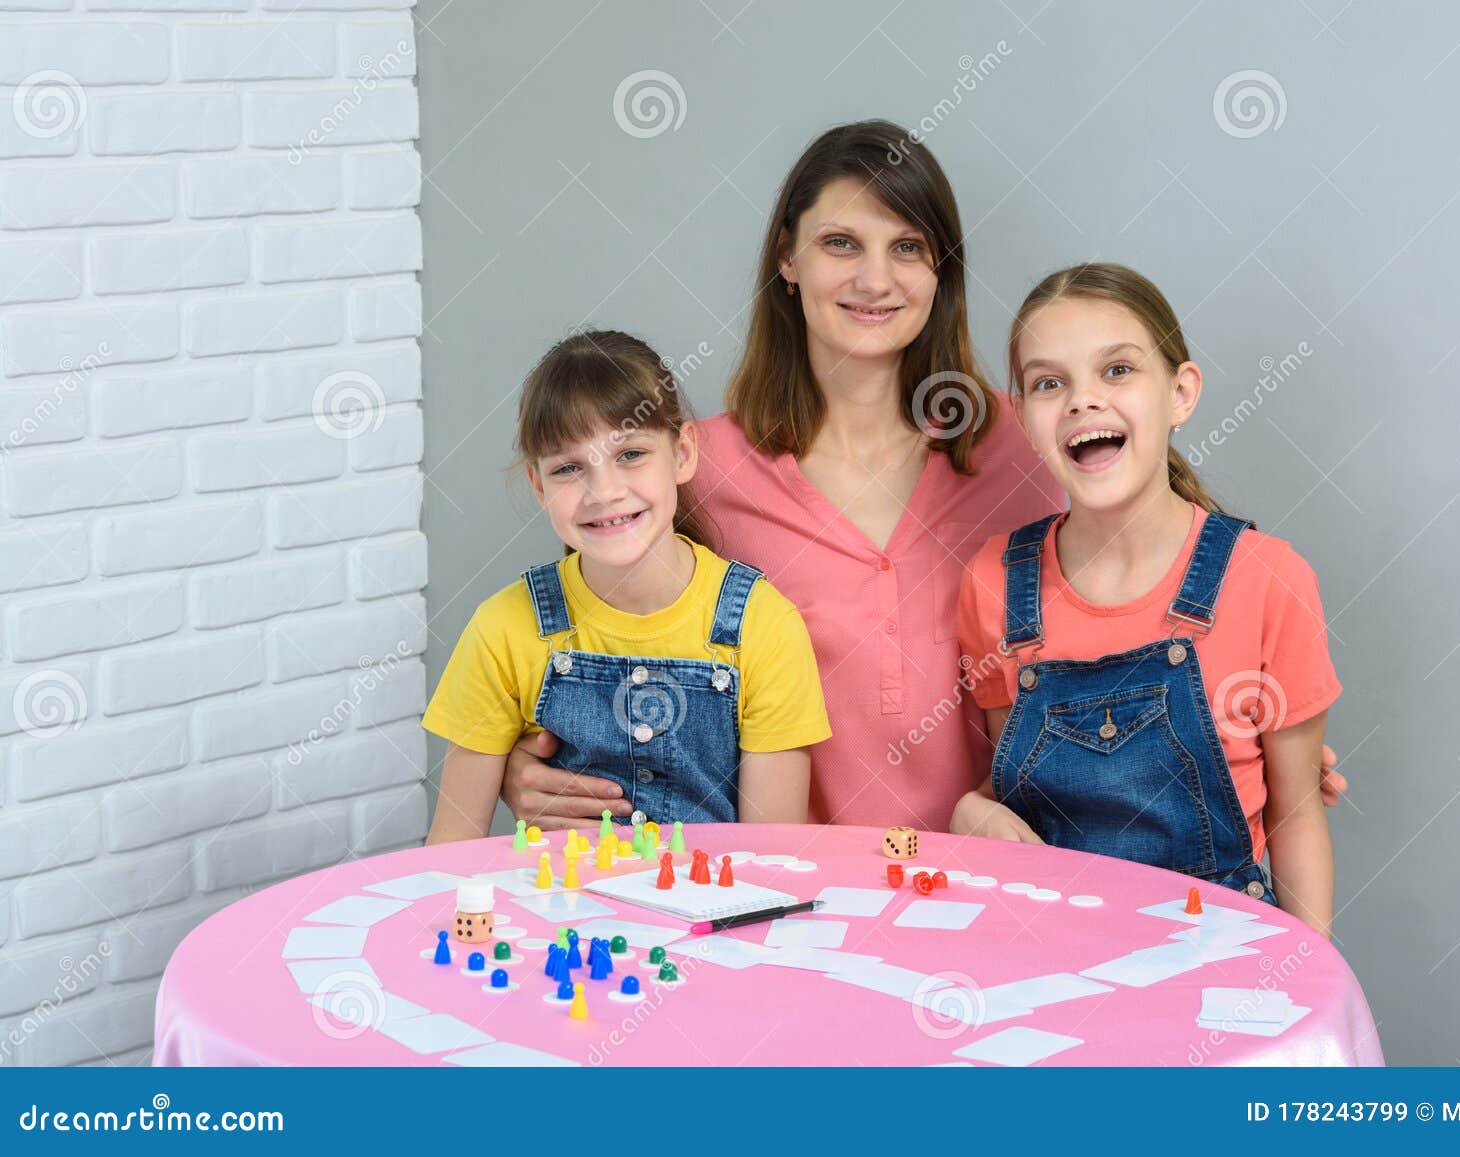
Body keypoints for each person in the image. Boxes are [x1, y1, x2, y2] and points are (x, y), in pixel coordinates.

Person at [498, 121, 1348, 834]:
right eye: (841, 243)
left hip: (1003, 885)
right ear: (786, 259)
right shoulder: (695, 468)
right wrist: (521, 764)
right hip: (788, 898)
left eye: (907, 247)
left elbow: (1158, 581)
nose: (875, 278)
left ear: (940, 273)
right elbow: (590, 641)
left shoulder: (1032, 437)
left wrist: (1245, 735)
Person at [953, 264, 1338, 936]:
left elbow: (1298, 814)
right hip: (1048, 962)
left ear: (1181, 392)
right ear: (1022, 416)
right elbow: (1013, 786)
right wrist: (974, 812)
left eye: (1118, 370)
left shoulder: (1271, 579)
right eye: (1049, 383)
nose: (1082, 401)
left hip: (1219, 961)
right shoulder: (991, 585)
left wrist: (1302, 980)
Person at [422, 330, 830, 843]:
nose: (605, 492)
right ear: (538, 485)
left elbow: (772, 857)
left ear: (682, 453)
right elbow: (451, 845)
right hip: (566, 915)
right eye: (569, 468)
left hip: (716, 914)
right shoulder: (504, 628)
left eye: (631, 454)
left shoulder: (763, 625)